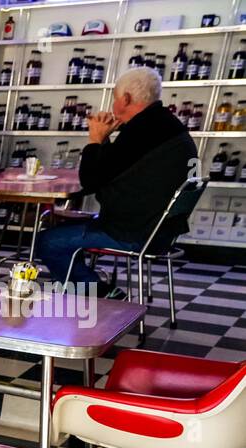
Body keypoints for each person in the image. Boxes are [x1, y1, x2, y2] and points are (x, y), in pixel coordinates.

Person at [39, 67, 197, 290]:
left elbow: (91, 180)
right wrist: (105, 140)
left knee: (48, 241)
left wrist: (94, 140)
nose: (113, 106)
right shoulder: (162, 124)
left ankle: (97, 291)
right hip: (160, 231)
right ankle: (78, 291)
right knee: (67, 226)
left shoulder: (142, 131)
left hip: (134, 233)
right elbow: (113, 168)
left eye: (114, 98)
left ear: (125, 98)